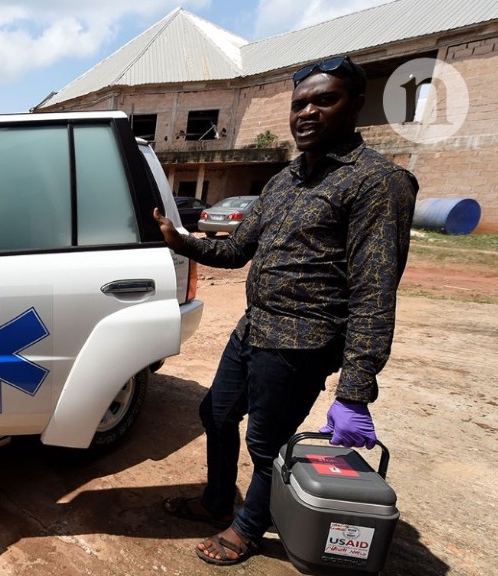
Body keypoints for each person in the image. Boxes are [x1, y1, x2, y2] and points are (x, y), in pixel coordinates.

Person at [153, 55, 418, 566]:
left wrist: (356, 390)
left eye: (325, 100)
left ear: (356, 106)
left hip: (302, 343)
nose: (308, 112)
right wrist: (179, 240)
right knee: (216, 413)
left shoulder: (378, 183)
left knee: (267, 443)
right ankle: (216, 501)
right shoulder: (284, 181)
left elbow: (375, 292)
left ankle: (249, 526)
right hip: (253, 329)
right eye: (300, 103)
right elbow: (235, 251)